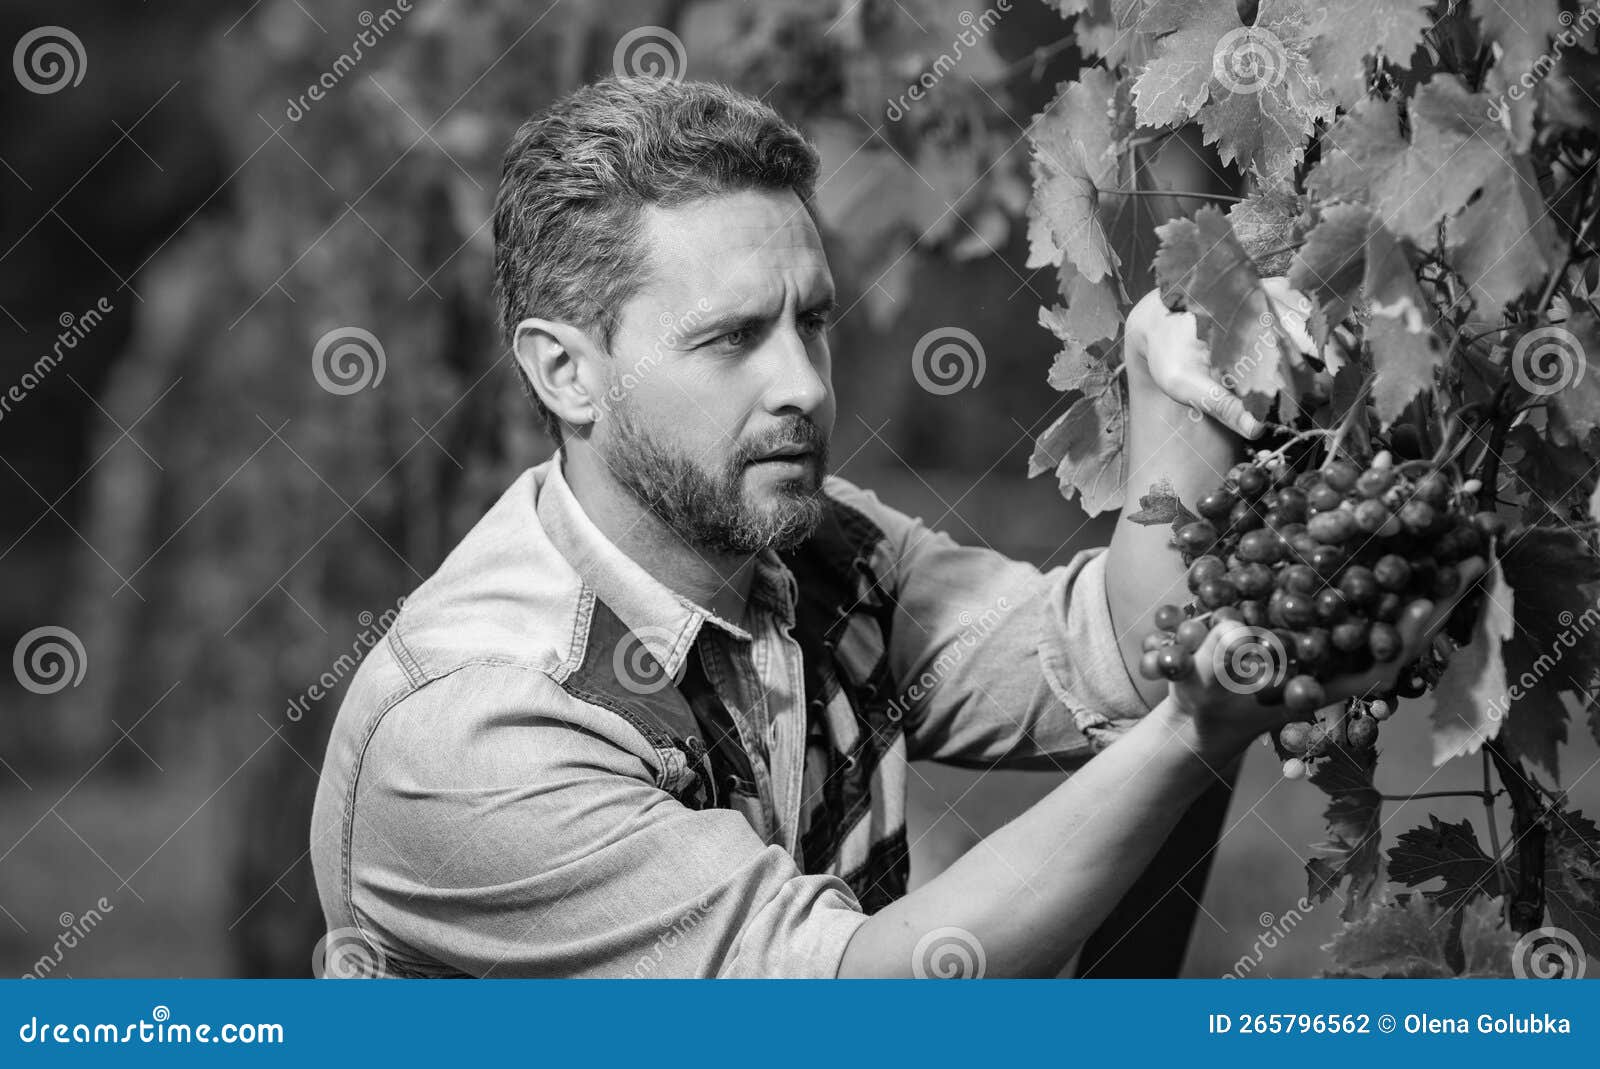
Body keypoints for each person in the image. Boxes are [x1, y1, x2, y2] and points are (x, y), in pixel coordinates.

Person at [307, 76, 1478, 978]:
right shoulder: (479, 728)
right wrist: (1189, 738)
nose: (804, 387)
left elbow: (1121, 658)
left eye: (809, 323)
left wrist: (1168, 379)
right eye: (729, 340)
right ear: (565, 372)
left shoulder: (812, 551)